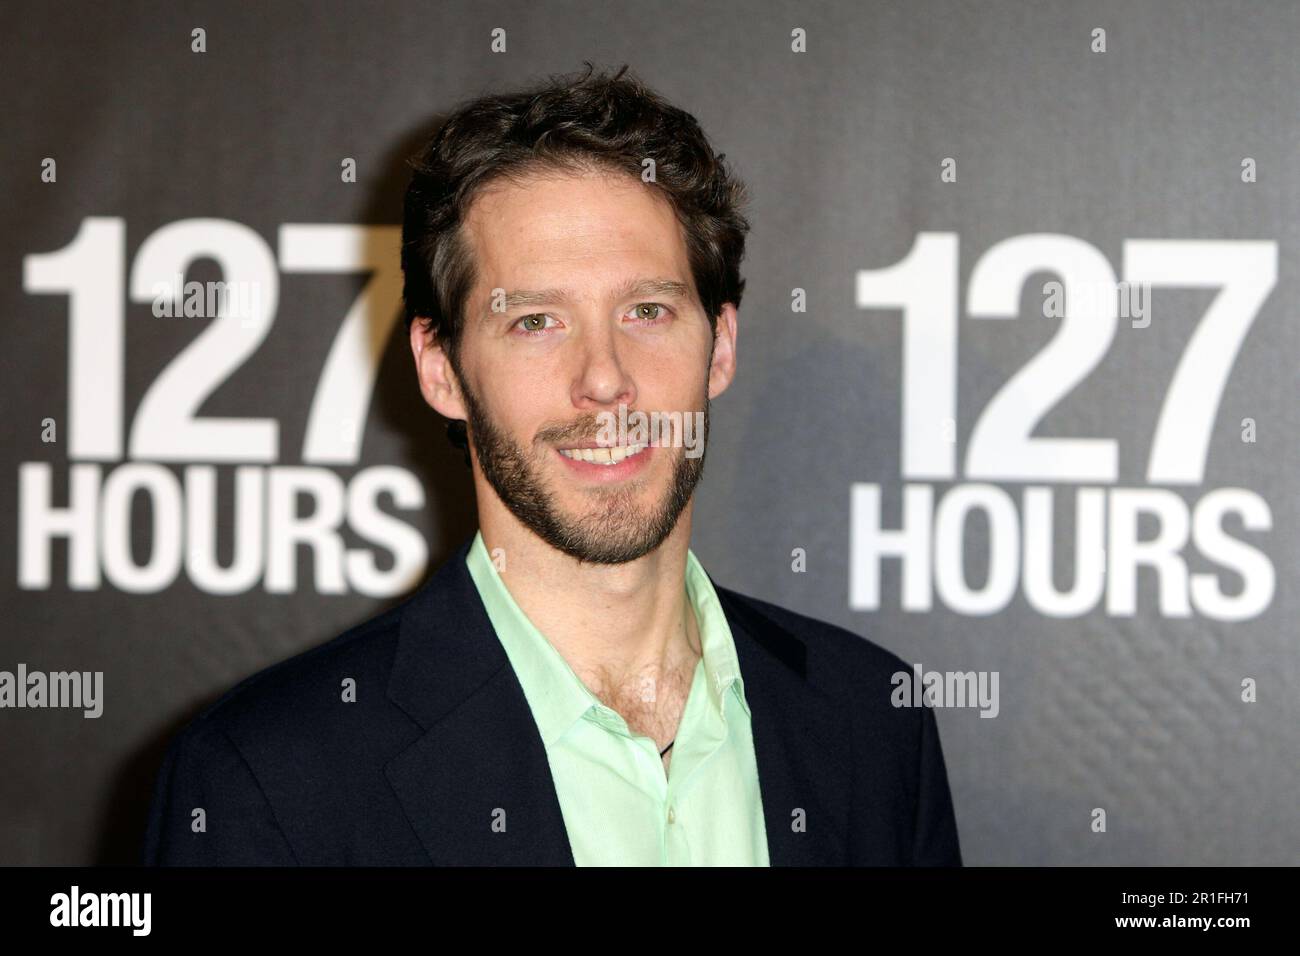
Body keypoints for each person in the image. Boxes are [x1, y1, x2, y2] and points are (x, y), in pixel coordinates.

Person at [141, 63, 961, 866]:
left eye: (647, 310)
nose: (603, 378)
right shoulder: (268, 780)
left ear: (721, 346)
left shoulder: (871, 722)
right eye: (535, 321)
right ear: (440, 369)